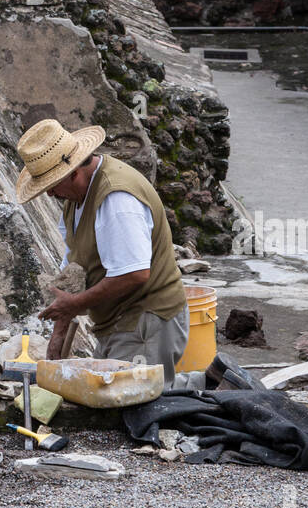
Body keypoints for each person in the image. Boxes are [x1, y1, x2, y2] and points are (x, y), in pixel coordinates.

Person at [15, 117, 205, 391]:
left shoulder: (117, 199)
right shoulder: (74, 199)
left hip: (146, 320)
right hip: (114, 320)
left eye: (51, 185)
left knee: (132, 399)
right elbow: (72, 274)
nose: (50, 193)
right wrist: (58, 334)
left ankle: (213, 386)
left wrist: (76, 304)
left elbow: (135, 274)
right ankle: (209, 382)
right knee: (118, 394)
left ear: (73, 174)